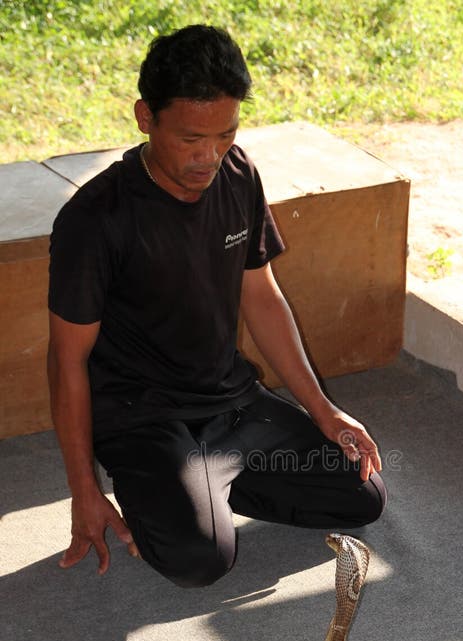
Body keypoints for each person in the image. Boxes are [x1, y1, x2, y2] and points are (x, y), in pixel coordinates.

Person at [47, 24, 386, 588]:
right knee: (201, 561)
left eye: (225, 134)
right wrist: (83, 488)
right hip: (142, 415)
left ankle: (204, 481)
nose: (209, 157)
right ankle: (170, 483)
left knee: (362, 493)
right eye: (189, 140)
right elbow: (65, 361)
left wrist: (323, 410)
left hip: (230, 402)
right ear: (144, 117)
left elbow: (262, 296)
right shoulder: (96, 217)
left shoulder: (238, 174)